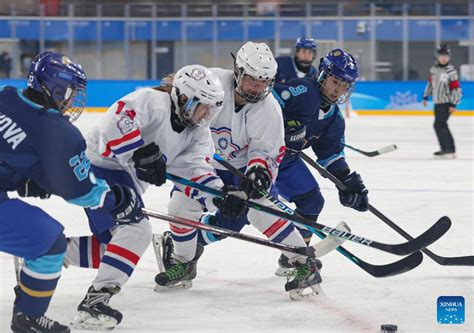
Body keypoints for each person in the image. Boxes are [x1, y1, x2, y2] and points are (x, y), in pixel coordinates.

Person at [64, 64, 230, 330]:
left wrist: (220, 196)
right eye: (203, 106)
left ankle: (48, 252)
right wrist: (139, 152)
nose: (207, 114)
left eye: (212, 108)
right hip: (98, 167)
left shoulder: (196, 132)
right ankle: (95, 301)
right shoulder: (154, 101)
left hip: (124, 179)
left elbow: (194, 168)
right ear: (185, 98)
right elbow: (116, 121)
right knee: (136, 230)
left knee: (119, 248)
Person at [154, 42, 322, 298]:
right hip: (203, 162)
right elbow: (181, 95)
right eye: (253, 80)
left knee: (260, 208)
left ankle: (303, 262)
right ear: (238, 71)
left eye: (264, 82)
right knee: (179, 206)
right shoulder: (214, 83)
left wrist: (258, 174)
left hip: (242, 168)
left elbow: (265, 152)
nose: (258, 87)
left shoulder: (269, 110)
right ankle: (183, 263)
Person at [0, 51, 142, 333]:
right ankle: (28, 318)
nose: (71, 99)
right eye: (70, 92)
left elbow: (12, 149)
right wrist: (115, 199)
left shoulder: (7, 96)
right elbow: (81, 191)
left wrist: (20, 180)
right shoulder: (57, 131)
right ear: (55, 88)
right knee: (49, 243)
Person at [272, 49, 368, 275]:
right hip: (256, 155)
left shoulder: (334, 118)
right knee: (236, 215)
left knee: (312, 202)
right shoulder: (304, 90)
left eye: (344, 86)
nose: (338, 90)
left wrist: (346, 181)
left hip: (286, 162)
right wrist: (283, 125)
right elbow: (268, 101)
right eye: (335, 82)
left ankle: (293, 258)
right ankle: (186, 247)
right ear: (324, 75)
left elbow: (330, 155)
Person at [422, 43, 462, 159]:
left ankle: (447, 149)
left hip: (447, 103)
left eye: (446, 56)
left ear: (449, 57)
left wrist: (453, 103)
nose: (444, 58)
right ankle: (449, 149)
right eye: (441, 55)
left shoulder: (451, 71)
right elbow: (430, 84)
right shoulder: (434, 70)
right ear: (437, 57)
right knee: (440, 124)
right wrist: (425, 96)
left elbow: (457, 89)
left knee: (439, 124)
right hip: (437, 103)